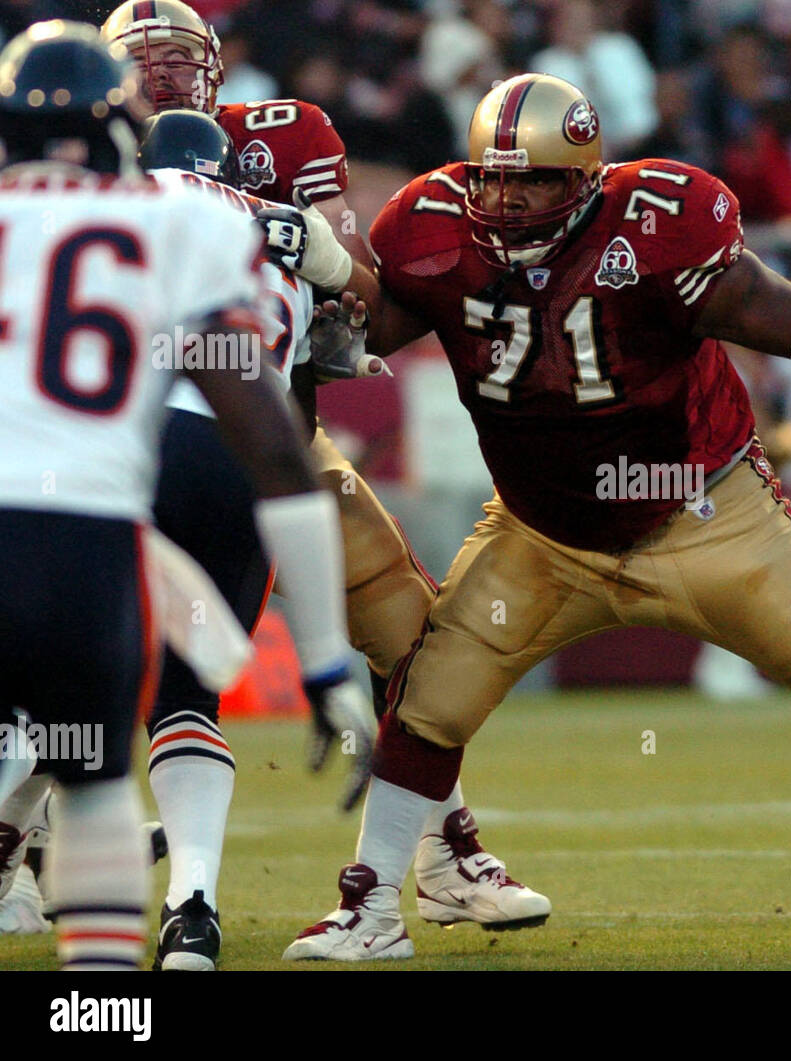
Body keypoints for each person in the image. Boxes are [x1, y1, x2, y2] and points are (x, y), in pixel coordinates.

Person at [284, 72, 791, 961]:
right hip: (543, 534)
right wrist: (318, 286)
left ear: (582, 178)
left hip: (706, 513)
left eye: (530, 179)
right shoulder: (429, 226)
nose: (503, 197)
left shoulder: (658, 222)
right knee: (427, 702)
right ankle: (372, 908)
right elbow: (374, 330)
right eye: (490, 176)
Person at [97, 0, 550, 943]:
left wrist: (327, 273)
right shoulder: (84, 164)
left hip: (280, 444)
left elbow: (363, 299)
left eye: (180, 58)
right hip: (124, 451)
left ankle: (447, 853)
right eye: (143, 61)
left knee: (410, 637)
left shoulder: (283, 136)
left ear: (216, 69)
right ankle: (39, 852)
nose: (165, 77)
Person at [0, 20, 373, 968]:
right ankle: (123, 979)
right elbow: (279, 429)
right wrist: (326, 659)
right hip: (101, 532)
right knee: (101, 774)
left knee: (26, 731)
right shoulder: (197, 220)